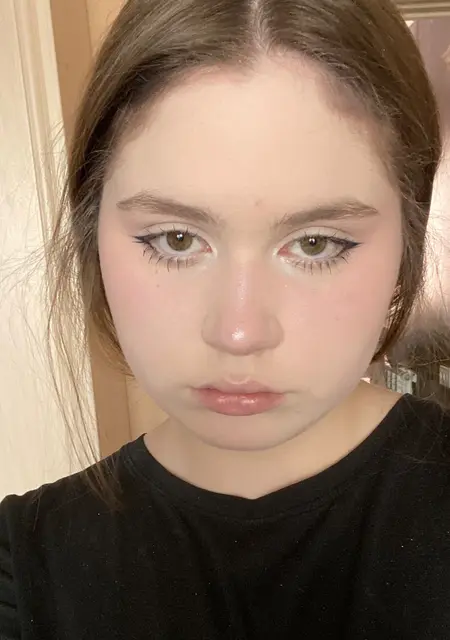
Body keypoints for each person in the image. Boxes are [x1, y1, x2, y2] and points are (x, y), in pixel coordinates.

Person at [0, 0, 448, 637]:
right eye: (177, 239)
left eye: (316, 243)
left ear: (408, 239)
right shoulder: (24, 569)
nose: (239, 333)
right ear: (91, 230)